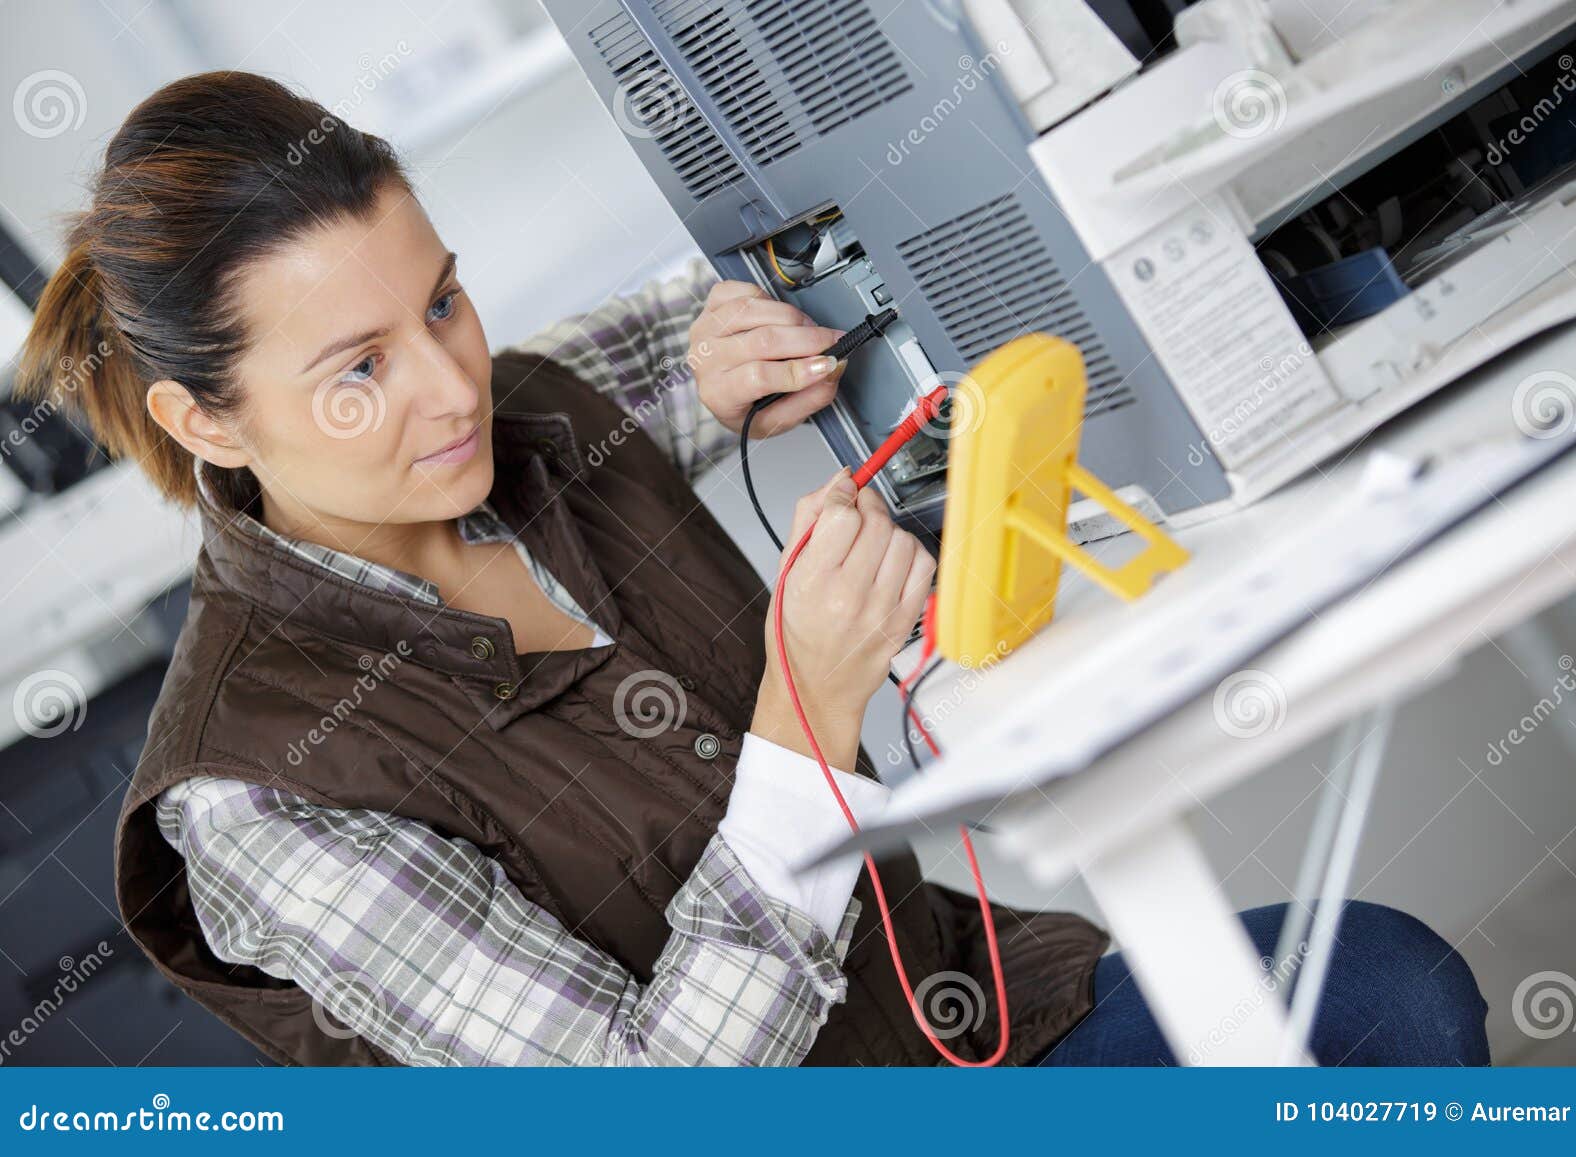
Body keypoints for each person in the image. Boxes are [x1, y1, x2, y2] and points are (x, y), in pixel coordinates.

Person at [18, 71, 1489, 1067]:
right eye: (360, 365)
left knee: (1388, 998)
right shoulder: (258, 793)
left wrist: (757, 332)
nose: (450, 386)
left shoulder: (514, 416)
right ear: (205, 418)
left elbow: (704, 331)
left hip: (964, 1027)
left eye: (446, 300)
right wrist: (799, 727)